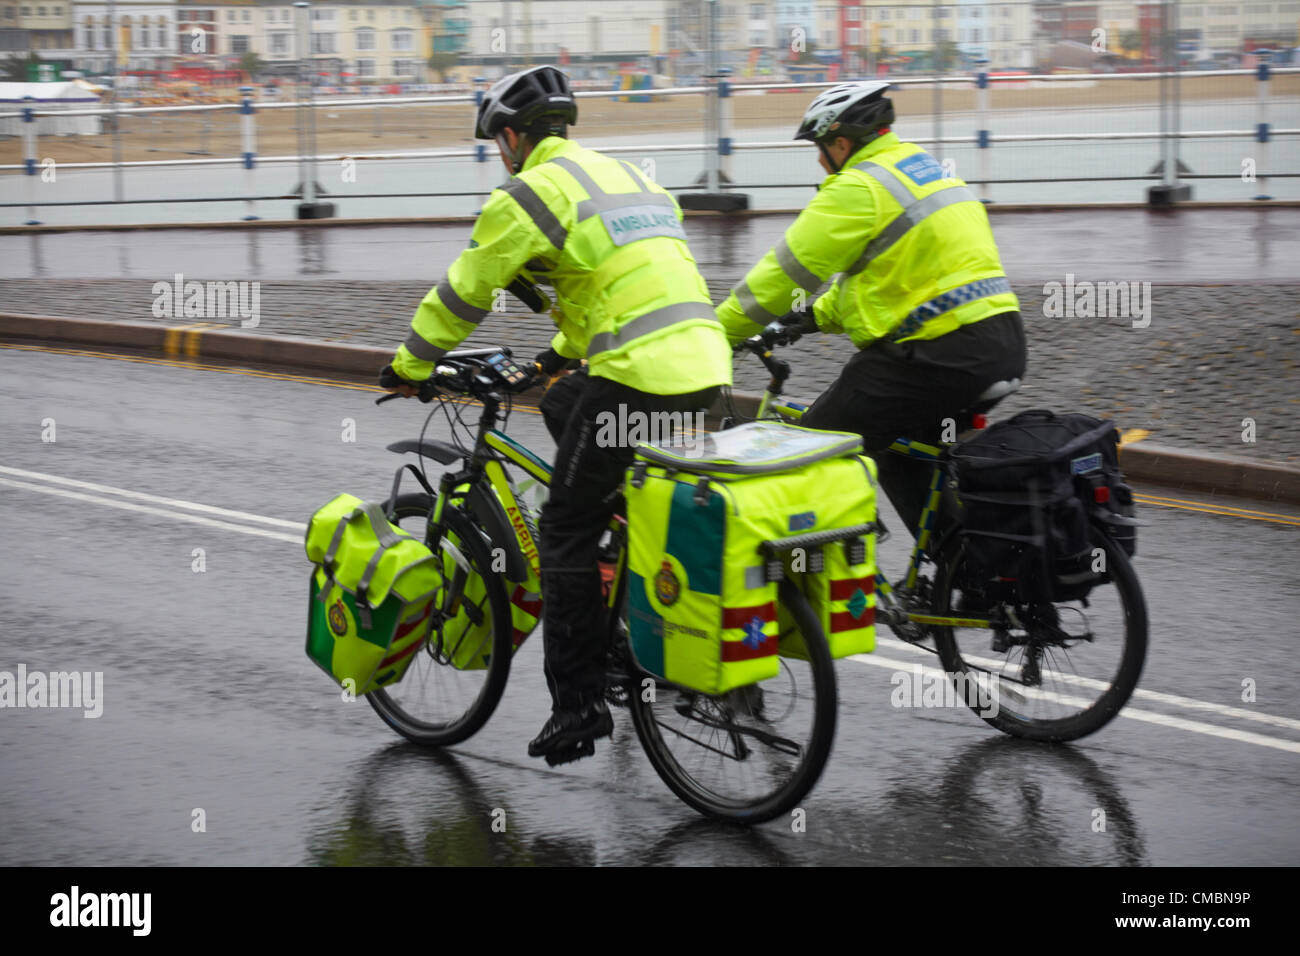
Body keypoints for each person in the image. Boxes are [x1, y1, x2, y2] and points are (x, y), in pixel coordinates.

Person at [380, 65, 731, 765]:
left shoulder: (528, 192)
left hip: (639, 381)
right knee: (569, 401)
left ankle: (578, 708)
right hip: (705, 373)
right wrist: (551, 362)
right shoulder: (626, 178)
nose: (500, 157)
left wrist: (411, 365)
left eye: (498, 144)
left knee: (562, 529)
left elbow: (464, 292)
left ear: (511, 137)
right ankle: (619, 559)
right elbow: (617, 287)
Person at [714, 81, 1027, 541]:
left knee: (815, 449)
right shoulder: (924, 171)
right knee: (903, 450)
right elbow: (894, 281)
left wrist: (711, 333)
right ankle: (963, 580)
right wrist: (811, 317)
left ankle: (839, 571)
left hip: (935, 355)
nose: (820, 161)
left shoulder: (858, 188)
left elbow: (778, 280)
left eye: (821, 149)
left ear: (841, 143)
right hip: (1002, 344)